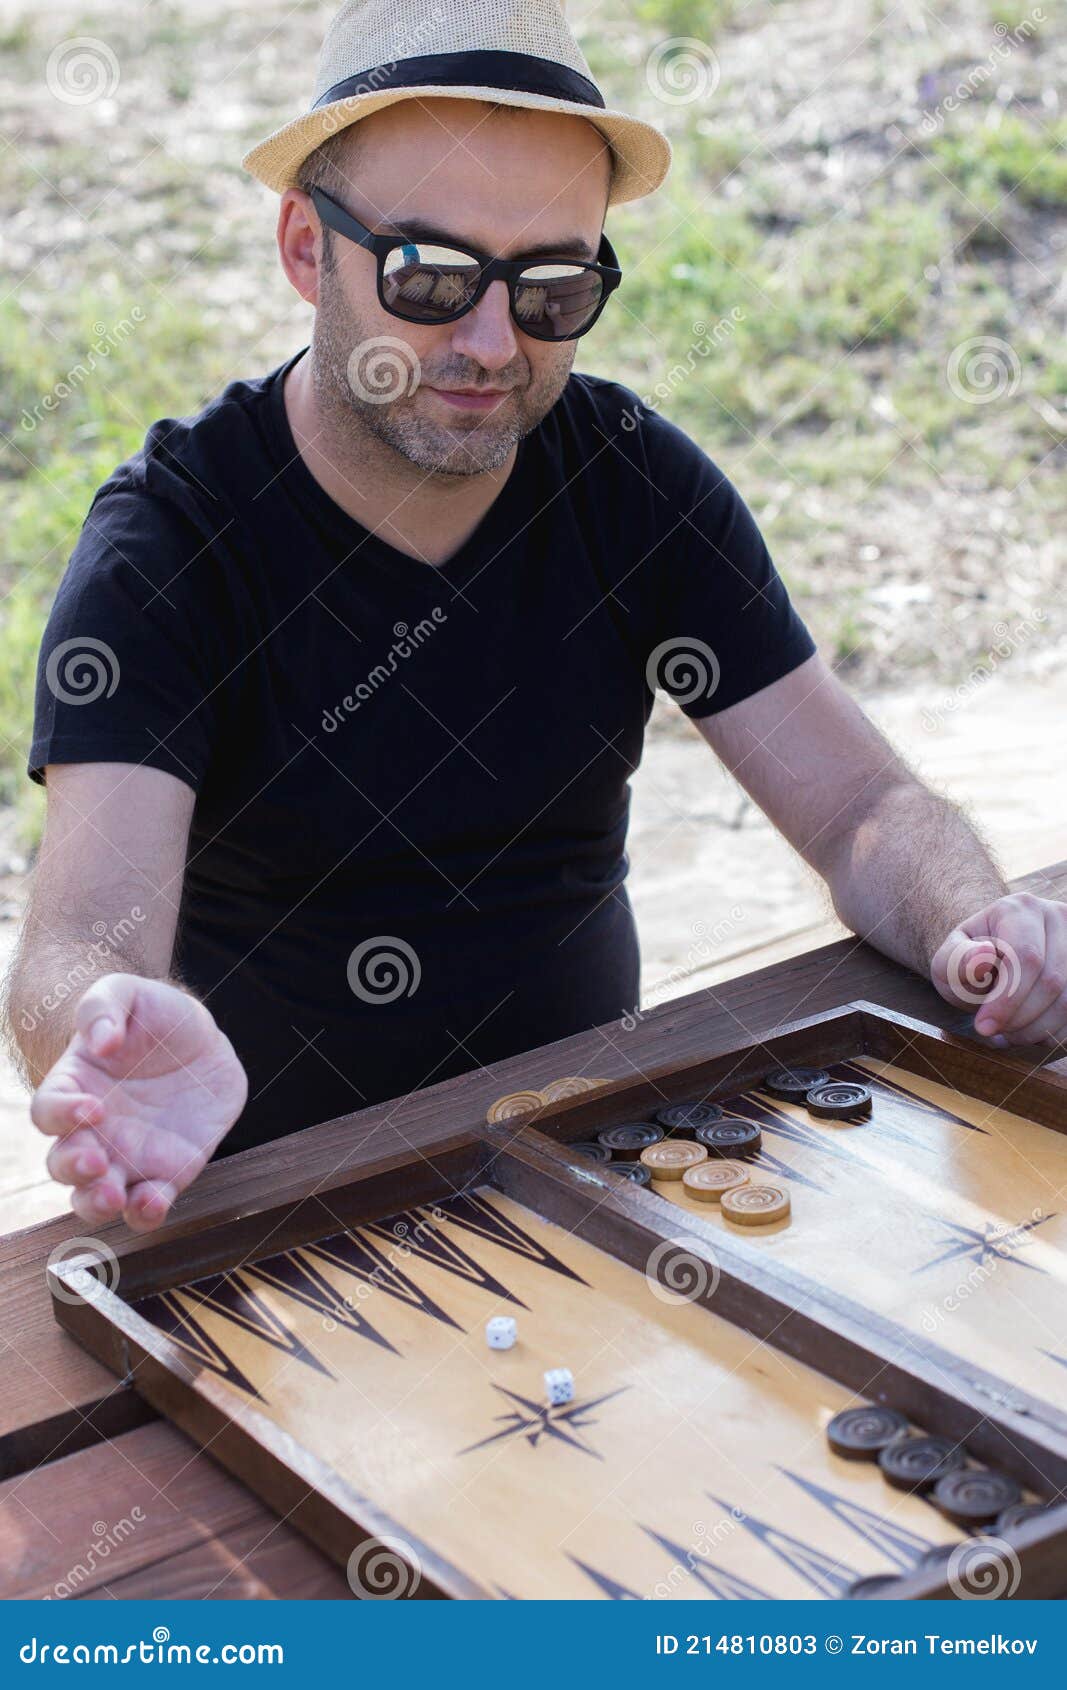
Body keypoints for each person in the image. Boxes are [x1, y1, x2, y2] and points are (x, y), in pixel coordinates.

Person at [5, 0, 1065, 1237]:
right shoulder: (172, 544)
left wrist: (966, 918)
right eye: (430, 276)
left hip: (606, 1166)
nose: (490, 340)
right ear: (305, 247)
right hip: (273, 1216)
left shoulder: (635, 488)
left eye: (553, 286)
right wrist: (106, 1021)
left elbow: (860, 811)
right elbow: (80, 939)